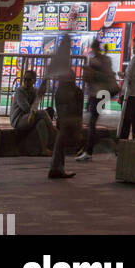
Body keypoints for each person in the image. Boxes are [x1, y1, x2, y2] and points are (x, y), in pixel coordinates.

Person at [76, 39, 118, 161]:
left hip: (98, 94)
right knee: (92, 120)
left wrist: (92, 72)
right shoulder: (106, 59)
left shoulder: (95, 61)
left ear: (93, 48)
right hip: (102, 94)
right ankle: (88, 148)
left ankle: (88, 150)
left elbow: (93, 77)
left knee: (92, 122)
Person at [48, 44, 83, 180]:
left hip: (63, 95)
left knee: (61, 135)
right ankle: (56, 167)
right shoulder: (65, 66)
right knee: (62, 136)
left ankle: (57, 167)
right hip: (67, 96)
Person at [10, 70, 55, 155]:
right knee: (42, 113)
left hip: (30, 117)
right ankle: (53, 130)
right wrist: (33, 113)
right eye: (25, 79)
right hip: (18, 119)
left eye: (29, 79)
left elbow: (35, 105)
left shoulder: (35, 91)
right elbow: (26, 108)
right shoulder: (20, 91)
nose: (26, 81)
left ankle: (44, 149)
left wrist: (33, 113)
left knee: (41, 122)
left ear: (34, 81)